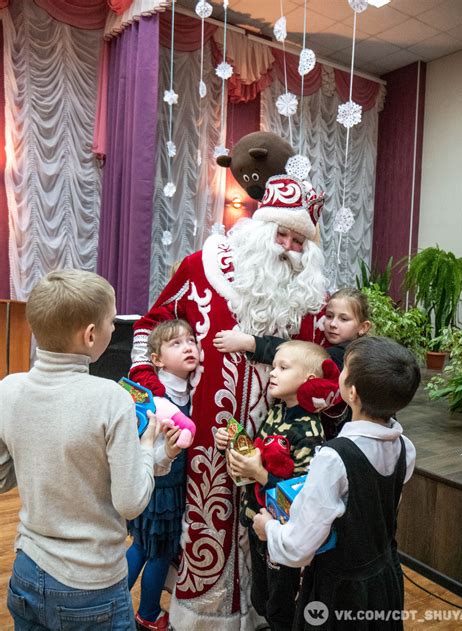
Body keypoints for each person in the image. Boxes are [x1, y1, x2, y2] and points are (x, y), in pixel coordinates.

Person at [129, 174, 336, 631]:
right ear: (261, 230)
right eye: (280, 233)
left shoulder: (314, 302)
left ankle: (263, 615)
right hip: (203, 439)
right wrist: (155, 390)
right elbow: (150, 325)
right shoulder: (202, 267)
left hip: (279, 449)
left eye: (299, 240)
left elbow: (330, 376)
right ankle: (201, 617)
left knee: (267, 535)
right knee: (203, 526)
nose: (287, 246)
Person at [0, 269, 168, 631]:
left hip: (27, 569)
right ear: (91, 335)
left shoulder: (8, 389)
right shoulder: (111, 398)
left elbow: (1, 478)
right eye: (112, 322)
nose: (114, 329)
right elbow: (131, 502)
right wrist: (147, 445)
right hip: (91, 584)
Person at [253, 336, 420, 631]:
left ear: (351, 393)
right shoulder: (405, 447)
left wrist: (267, 528)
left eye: (343, 368)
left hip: (341, 591)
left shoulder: (334, 457)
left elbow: (299, 547)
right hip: (384, 577)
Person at [216, 340, 326, 631]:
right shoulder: (277, 411)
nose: (273, 373)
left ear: (309, 380)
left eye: (283, 367)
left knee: (281, 602)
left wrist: (261, 474)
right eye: (273, 366)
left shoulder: (309, 430)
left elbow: (302, 494)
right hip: (258, 522)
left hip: (282, 531)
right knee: (262, 594)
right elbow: (260, 455)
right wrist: (233, 445)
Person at [214, 287, 371, 436]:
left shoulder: (346, 355)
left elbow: (300, 358)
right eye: (329, 316)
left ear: (363, 327)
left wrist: (251, 343)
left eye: (344, 319)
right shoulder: (354, 349)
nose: (333, 324)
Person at [127, 319, 200, 631]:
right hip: (159, 487)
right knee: (156, 550)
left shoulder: (191, 388)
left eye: (191, 341)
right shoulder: (156, 395)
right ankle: (147, 612)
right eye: (176, 343)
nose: (187, 347)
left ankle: (117, 604)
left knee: (145, 547)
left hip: (171, 484)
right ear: (156, 360)